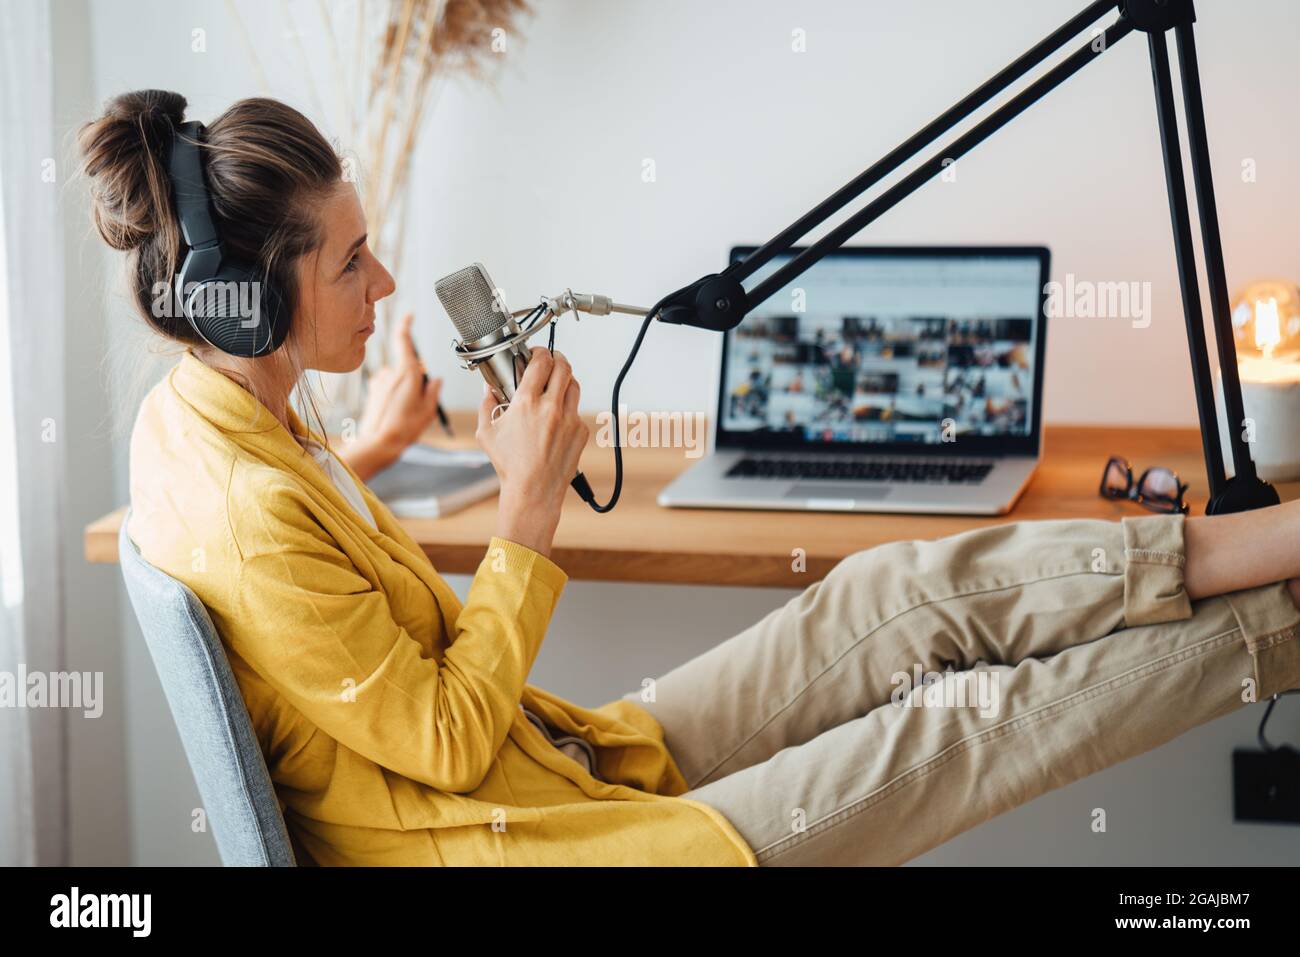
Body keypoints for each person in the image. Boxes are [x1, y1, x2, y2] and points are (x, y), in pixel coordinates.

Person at [81, 89, 1300, 867]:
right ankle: (1287, 620)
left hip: (554, 772)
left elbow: (298, 594)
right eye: (352, 264)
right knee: (956, 728)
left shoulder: (205, 420)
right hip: (523, 841)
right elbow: (445, 738)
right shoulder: (244, 502)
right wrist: (530, 514)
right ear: (242, 307)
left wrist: (376, 454)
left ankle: (1243, 550)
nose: (386, 284)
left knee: (881, 597)